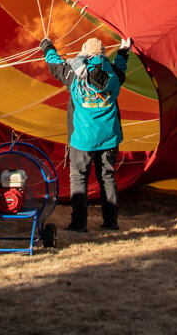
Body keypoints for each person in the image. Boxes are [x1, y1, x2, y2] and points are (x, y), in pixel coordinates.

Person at [42, 36, 131, 232]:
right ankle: (111, 222)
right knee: (107, 177)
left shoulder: (74, 74)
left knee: (79, 178)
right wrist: (124, 51)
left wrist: (47, 46)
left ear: (85, 53)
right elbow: (121, 65)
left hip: (82, 138)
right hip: (109, 137)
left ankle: (79, 223)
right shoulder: (114, 75)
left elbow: (55, 65)